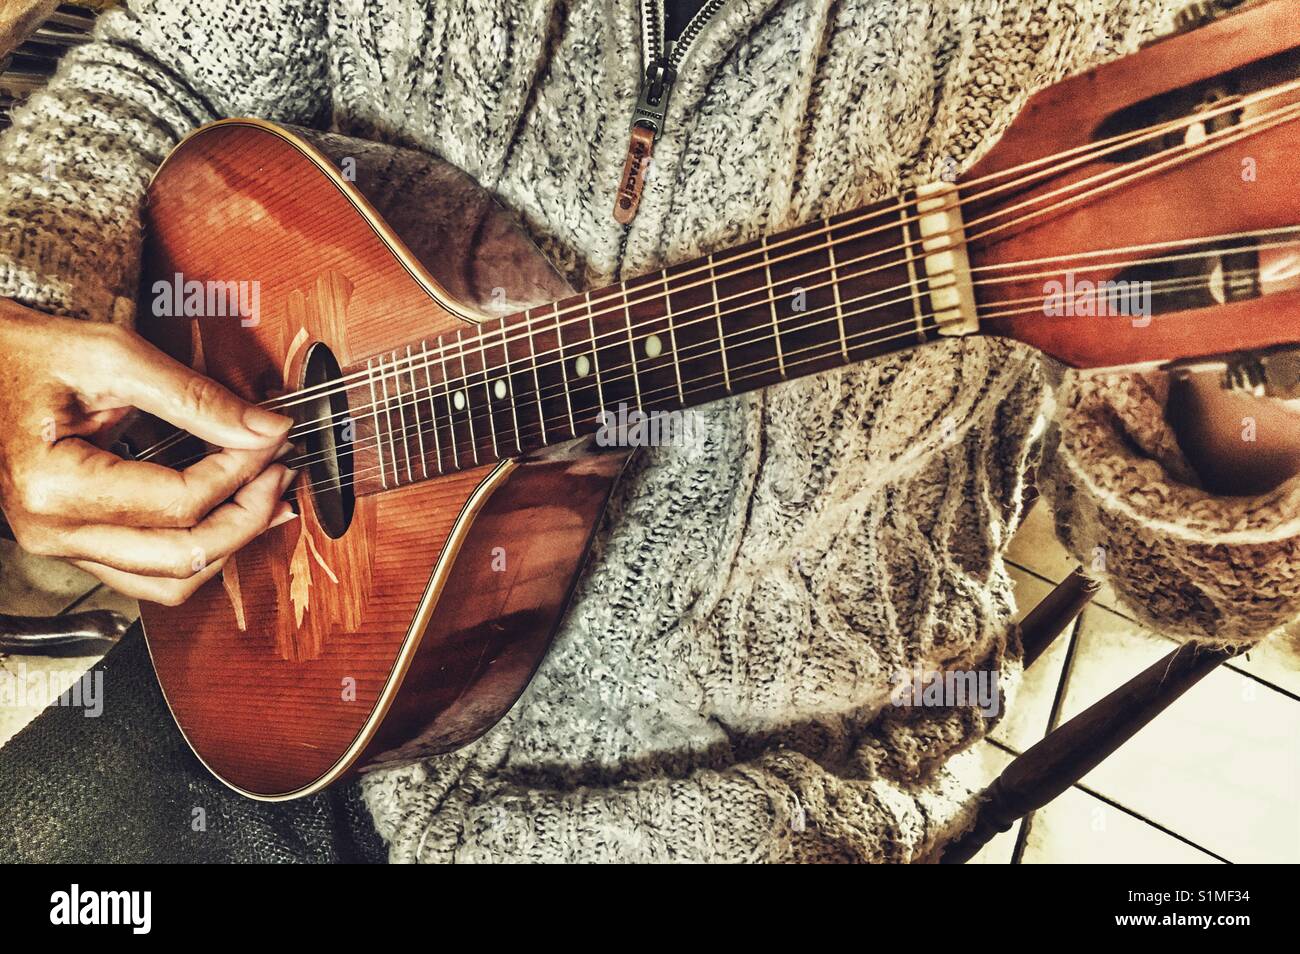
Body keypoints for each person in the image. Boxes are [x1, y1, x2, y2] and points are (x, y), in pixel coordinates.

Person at [0, 0, 1296, 863]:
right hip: (270, 663)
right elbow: (161, 68)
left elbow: (1188, 586)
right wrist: (21, 308)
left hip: (741, 793)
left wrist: (1250, 410)